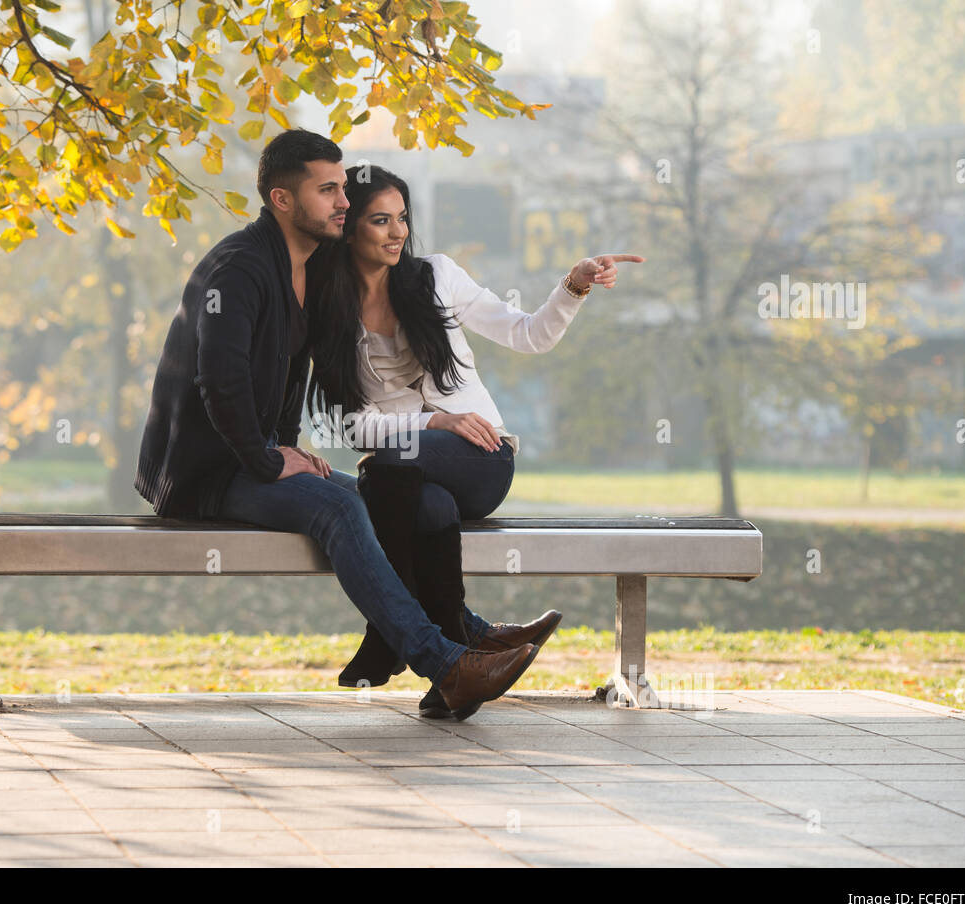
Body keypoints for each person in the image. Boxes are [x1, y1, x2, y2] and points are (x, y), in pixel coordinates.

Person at [133, 129, 545, 720]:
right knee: (342, 507)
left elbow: (284, 374)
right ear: (282, 199)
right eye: (327, 190)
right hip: (207, 471)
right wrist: (270, 458)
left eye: (341, 187)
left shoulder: (312, 269)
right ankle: (447, 663)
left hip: (251, 456)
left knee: (414, 502)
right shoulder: (240, 270)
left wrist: (286, 447)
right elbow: (217, 380)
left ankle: (467, 629)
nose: (343, 201)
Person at [305, 164, 645, 716]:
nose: (397, 233)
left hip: (481, 462)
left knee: (381, 473)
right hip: (414, 481)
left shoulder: (435, 278)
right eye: (380, 221)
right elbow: (348, 427)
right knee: (420, 500)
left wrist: (574, 284)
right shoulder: (328, 311)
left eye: (403, 219)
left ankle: (388, 635)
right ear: (349, 229)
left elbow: (527, 334)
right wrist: (431, 423)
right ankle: (455, 669)